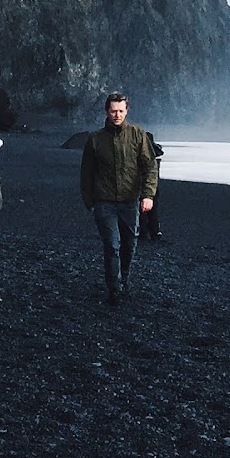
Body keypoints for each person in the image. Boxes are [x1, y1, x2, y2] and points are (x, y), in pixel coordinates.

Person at [78, 92, 157, 306]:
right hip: (104, 201)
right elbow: (86, 173)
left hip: (130, 201)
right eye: (113, 111)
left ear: (127, 111)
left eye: (121, 111)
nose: (117, 115)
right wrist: (89, 201)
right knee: (112, 245)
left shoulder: (137, 135)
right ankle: (114, 288)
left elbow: (150, 166)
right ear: (107, 111)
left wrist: (148, 195)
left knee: (129, 245)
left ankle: (123, 280)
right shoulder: (96, 139)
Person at [138, 141, 166, 242]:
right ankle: (154, 232)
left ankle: (144, 233)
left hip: (143, 181)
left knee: (142, 209)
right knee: (152, 208)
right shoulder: (153, 150)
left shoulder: (140, 145)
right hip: (152, 183)